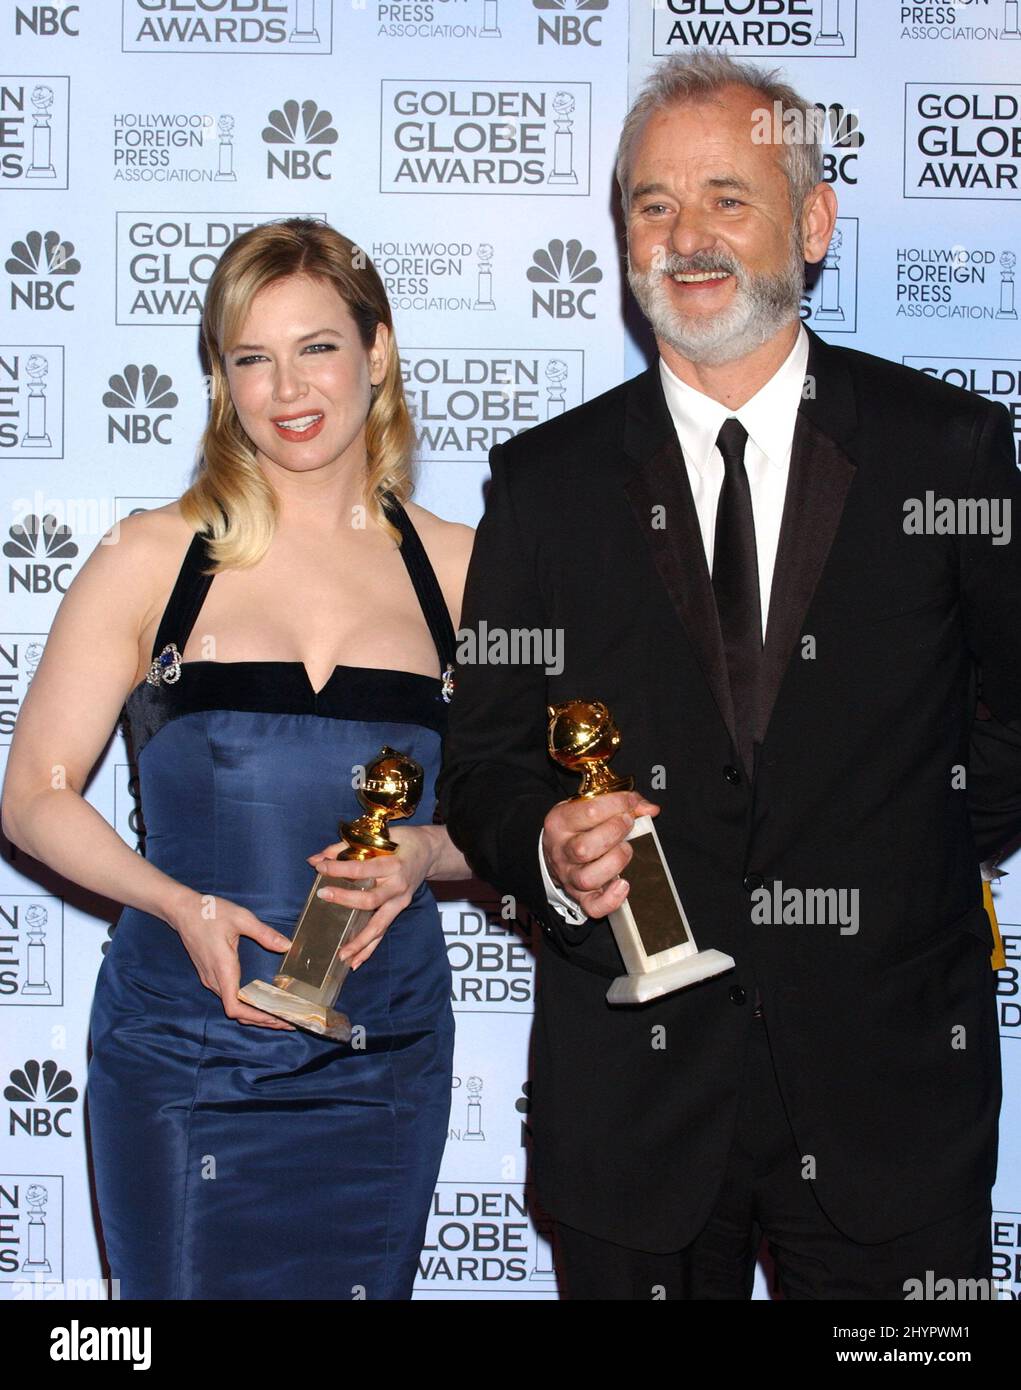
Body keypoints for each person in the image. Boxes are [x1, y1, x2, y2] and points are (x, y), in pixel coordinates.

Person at [437, 52, 1021, 1299]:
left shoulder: (949, 447)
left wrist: (911, 853)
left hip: (889, 1100)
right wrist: (548, 843)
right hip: (632, 1106)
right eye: (652, 203)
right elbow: (480, 761)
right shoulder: (543, 487)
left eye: (726, 196)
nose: (685, 236)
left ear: (811, 224)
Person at [1, 218, 475, 1300]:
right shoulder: (149, 557)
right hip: (184, 1048)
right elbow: (33, 794)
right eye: (250, 357)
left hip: (380, 1054)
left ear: (379, 350)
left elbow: (524, 818)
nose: (286, 387)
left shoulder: (461, 570)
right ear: (220, 379)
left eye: (317, 346)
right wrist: (178, 905)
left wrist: (428, 851)